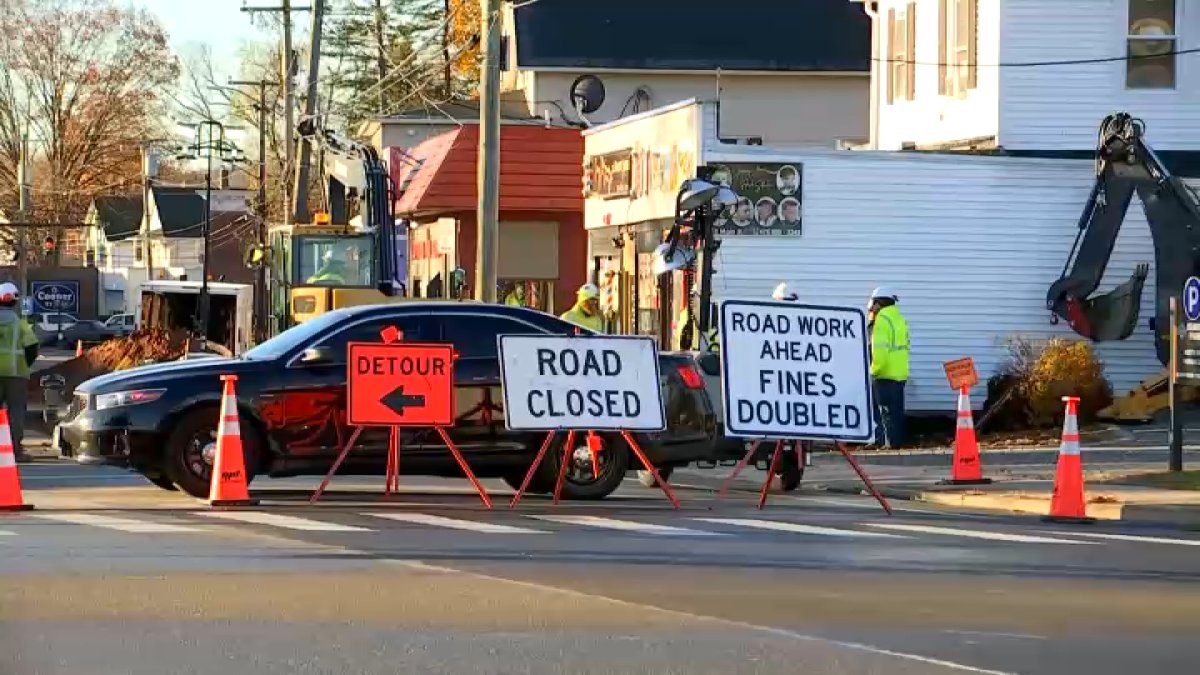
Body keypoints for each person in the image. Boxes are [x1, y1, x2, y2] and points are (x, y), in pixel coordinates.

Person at [0, 283, 39, 462]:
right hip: (16, 374)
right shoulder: (21, 325)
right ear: (15, 301)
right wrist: (24, 364)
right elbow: (32, 348)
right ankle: (15, 450)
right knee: (16, 412)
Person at [868, 286, 910, 448]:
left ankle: (885, 443)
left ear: (879, 302)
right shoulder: (899, 318)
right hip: (900, 373)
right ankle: (896, 442)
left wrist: (874, 370)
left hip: (884, 373)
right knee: (896, 412)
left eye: (874, 302)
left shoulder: (882, 320)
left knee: (882, 411)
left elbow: (880, 349)